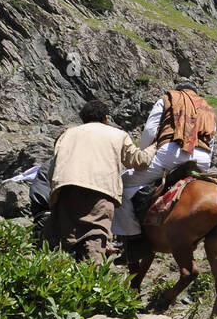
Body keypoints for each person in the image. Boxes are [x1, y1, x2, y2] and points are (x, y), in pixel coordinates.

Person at [47, 100, 157, 263]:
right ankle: (94, 285)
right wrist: (154, 146)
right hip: (100, 192)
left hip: (65, 191)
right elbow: (139, 161)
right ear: (106, 118)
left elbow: (53, 167)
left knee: (67, 243)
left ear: (83, 119)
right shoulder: (117, 135)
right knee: (94, 240)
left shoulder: (67, 134)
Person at [112, 79, 217, 239]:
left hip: (169, 155)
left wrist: (146, 153)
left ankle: (132, 235)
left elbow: (150, 130)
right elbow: (212, 140)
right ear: (195, 92)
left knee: (121, 184)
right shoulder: (208, 108)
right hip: (202, 159)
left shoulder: (168, 98)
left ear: (178, 89)